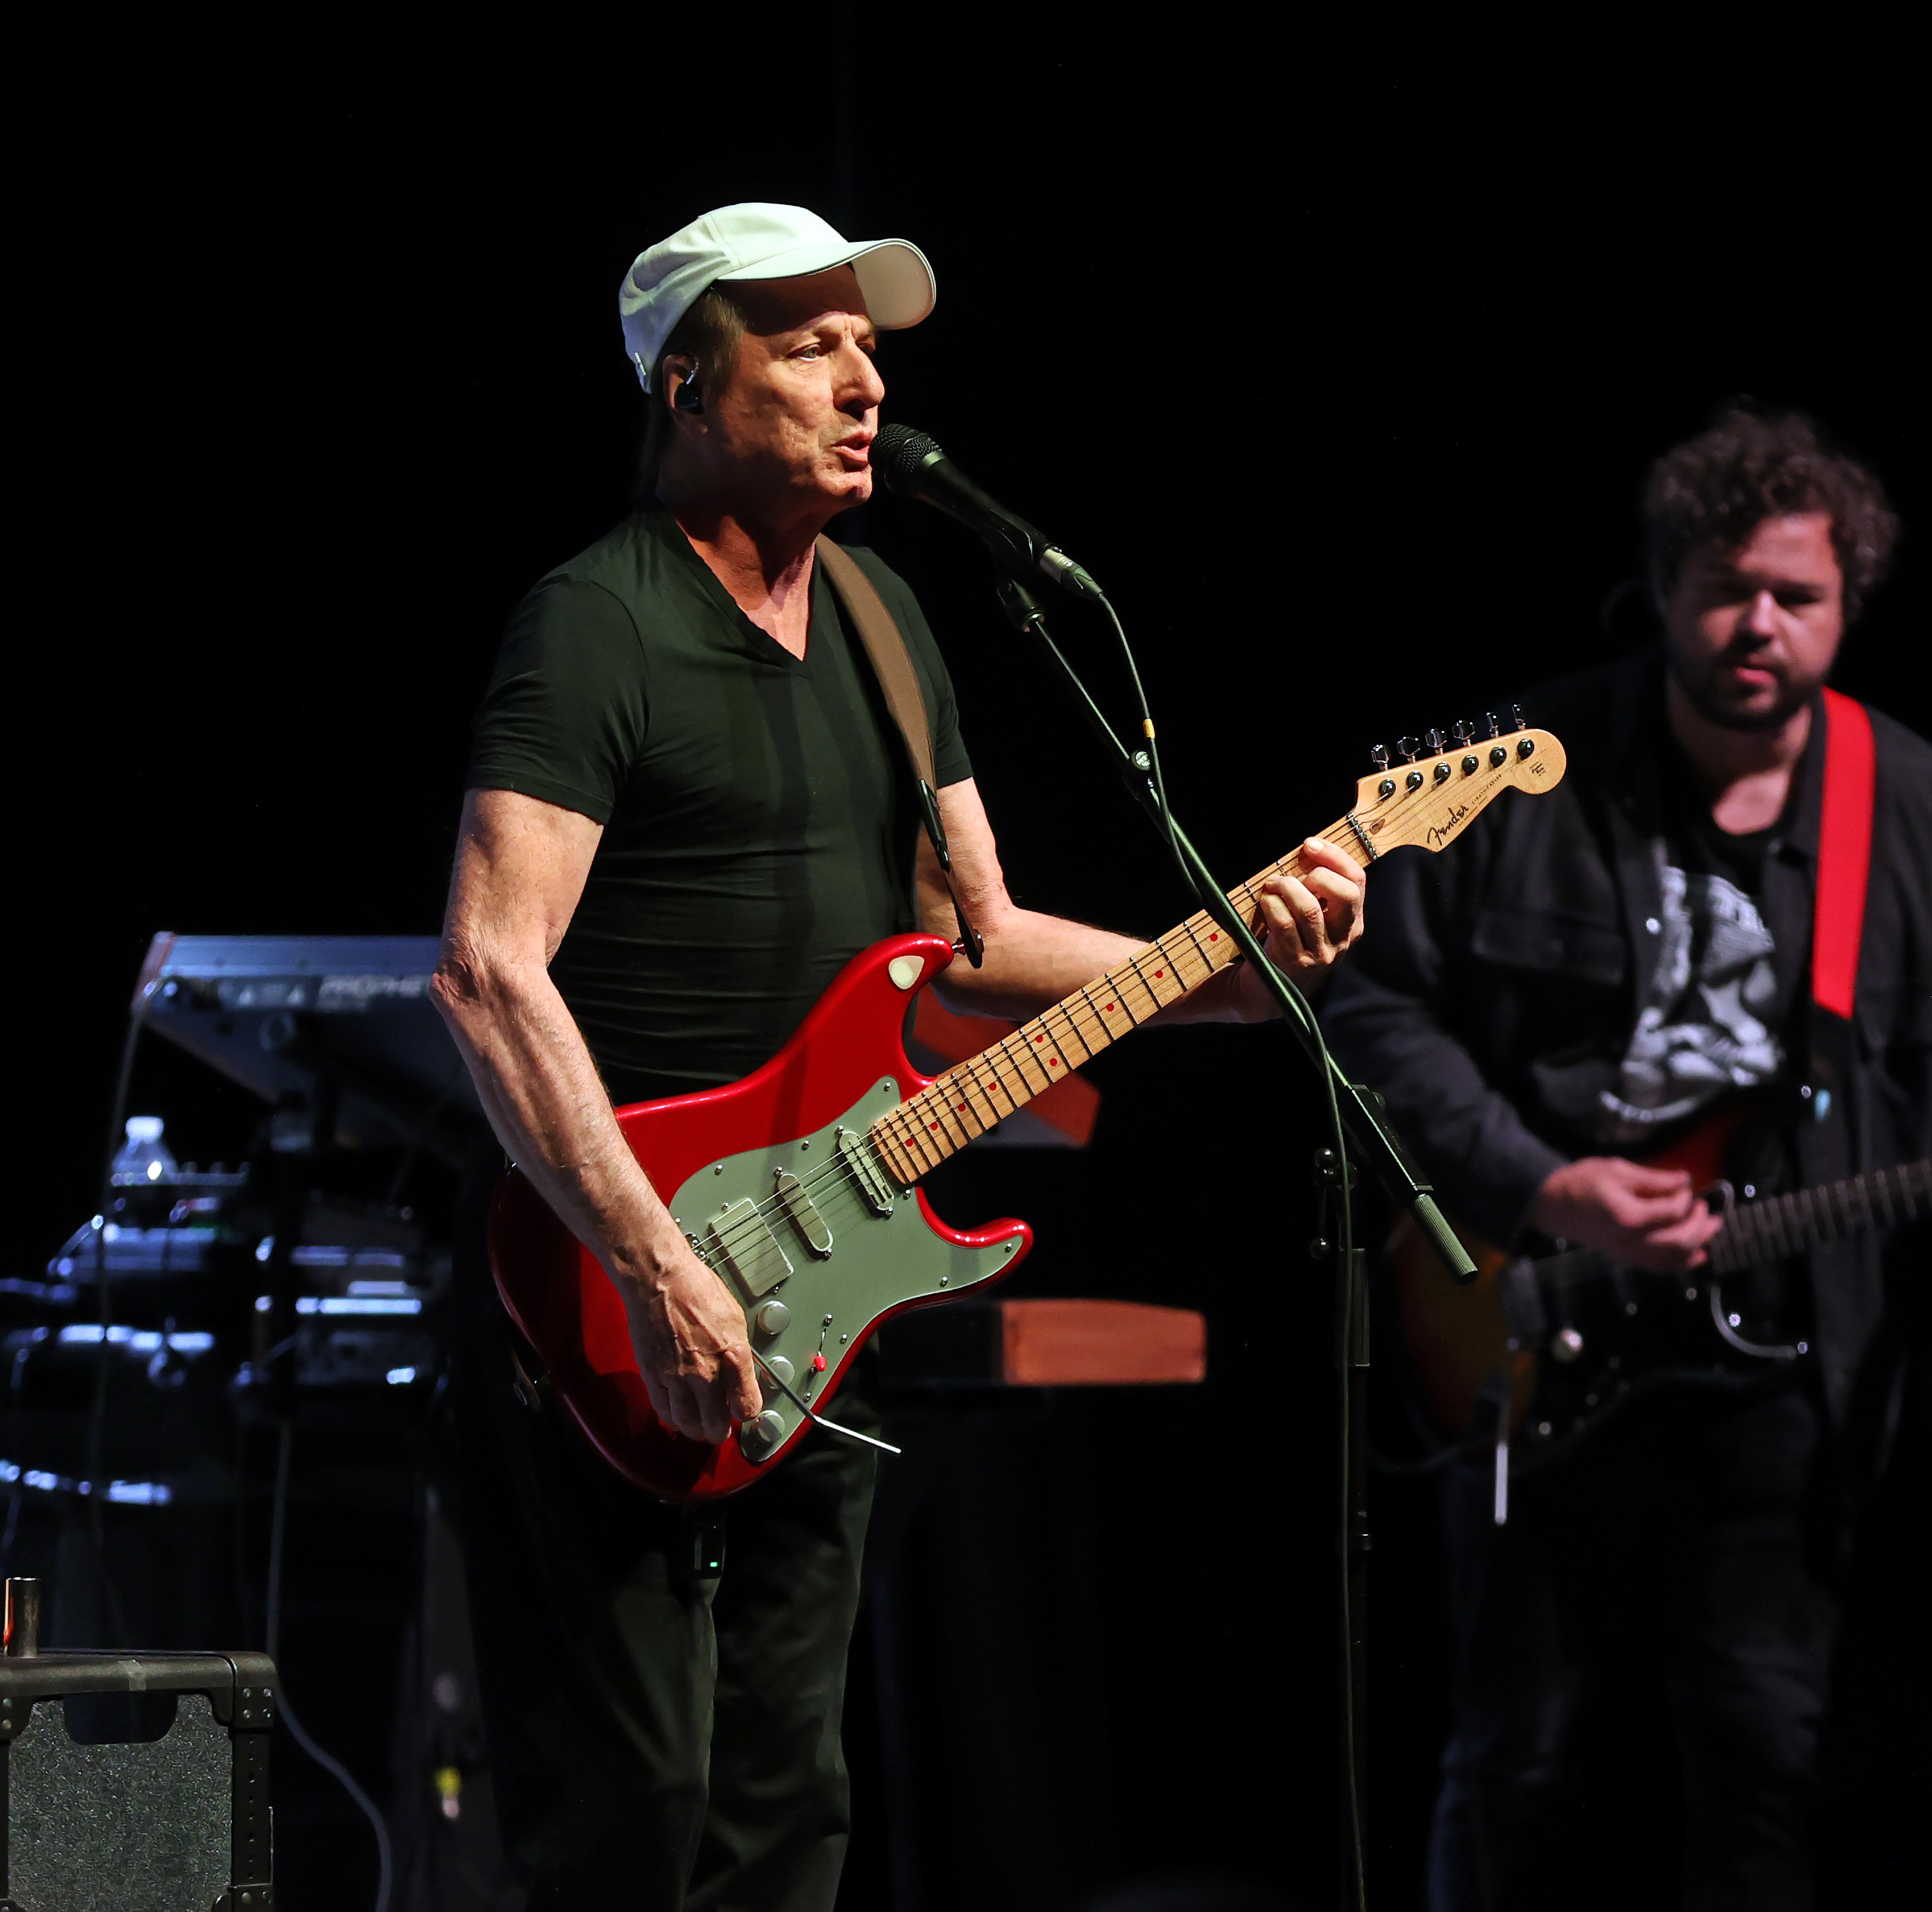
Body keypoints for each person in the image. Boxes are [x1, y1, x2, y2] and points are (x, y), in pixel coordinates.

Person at [430, 202, 1365, 1909]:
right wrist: (649, 1256)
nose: (865, 379)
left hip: (815, 1275)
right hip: (592, 1291)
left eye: (872, 346)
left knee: (789, 1810)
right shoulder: (594, 623)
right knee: (625, 1815)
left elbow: (980, 936)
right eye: (811, 343)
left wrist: (1238, 965)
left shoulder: (882, 618)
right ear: (693, 384)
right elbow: (491, 971)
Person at [1323, 406, 1932, 1909]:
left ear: (1847, 604)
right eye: (1726, 587)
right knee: (1516, 1756)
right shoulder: (1521, 777)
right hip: (1534, 1329)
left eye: (1796, 595)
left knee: (1764, 1750)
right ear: (1662, 587)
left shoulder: (1920, 814)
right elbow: (1368, 997)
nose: (1757, 625)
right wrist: (1544, 1182)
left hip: (1786, 1372)